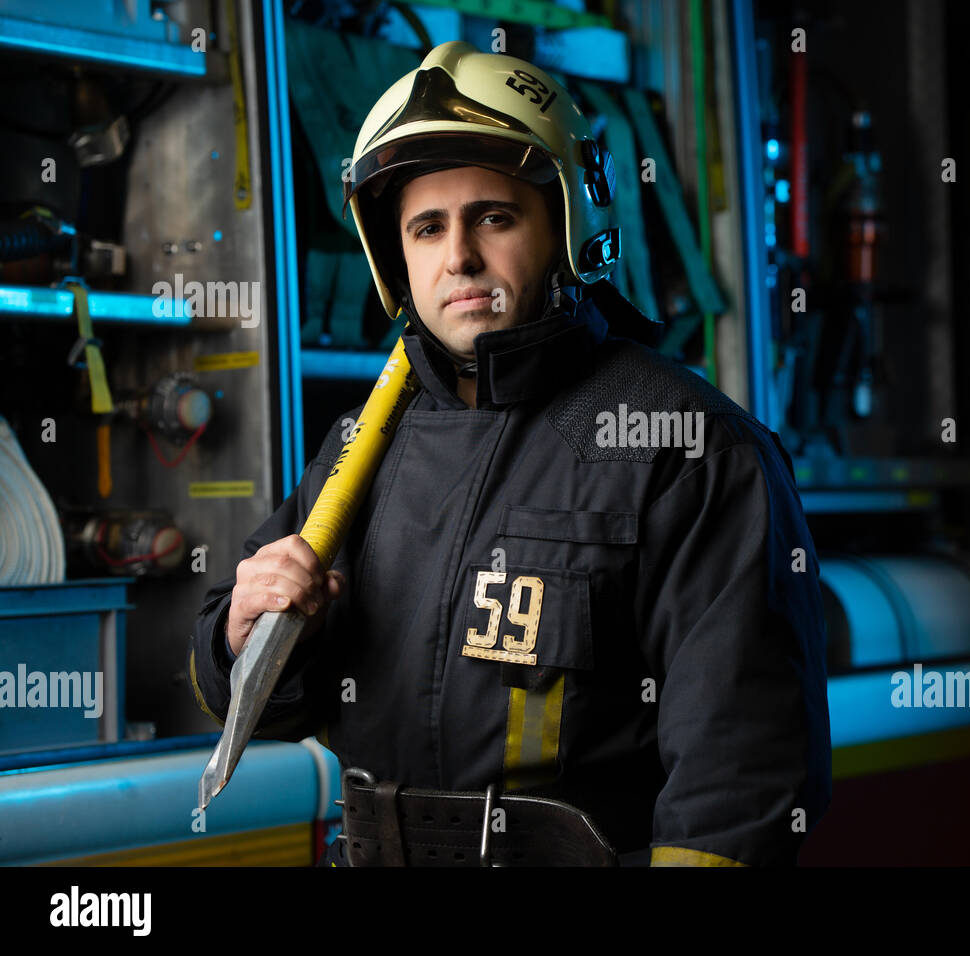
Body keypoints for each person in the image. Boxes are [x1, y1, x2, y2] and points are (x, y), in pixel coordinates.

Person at [188, 40, 830, 866]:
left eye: (493, 216)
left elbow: (740, 784)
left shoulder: (685, 447)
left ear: (567, 223)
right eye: (426, 227)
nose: (458, 256)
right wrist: (243, 636)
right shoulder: (358, 452)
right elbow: (260, 709)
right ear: (397, 259)